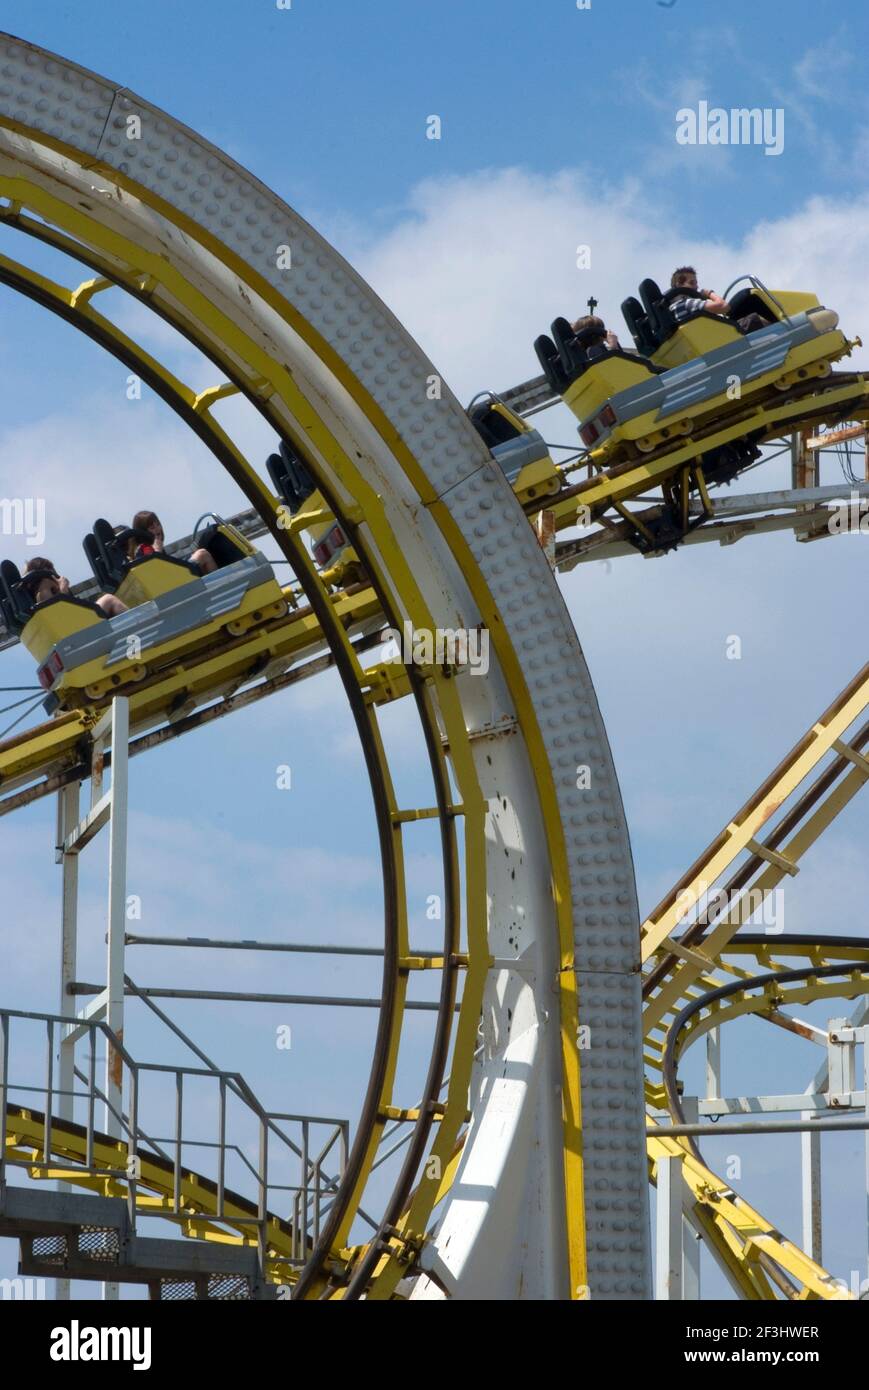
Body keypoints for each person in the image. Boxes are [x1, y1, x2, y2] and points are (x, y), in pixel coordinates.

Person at [669, 267, 772, 333]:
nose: (697, 287)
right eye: (692, 283)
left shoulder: (672, 308)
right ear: (679, 284)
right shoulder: (688, 303)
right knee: (753, 316)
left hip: (709, 335)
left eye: (696, 283)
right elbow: (724, 307)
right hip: (719, 336)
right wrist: (709, 293)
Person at [22, 557, 127, 617]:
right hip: (75, 623)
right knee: (109, 599)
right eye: (50, 569)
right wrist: (63, 589)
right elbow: (56, 613)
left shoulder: (45, 588)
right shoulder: (43, 589)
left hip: (76, 619)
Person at [131, 510, 217, 575]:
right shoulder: (145, 547)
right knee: (203, 554)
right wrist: (157, 551)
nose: (157, 529)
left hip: (173, 574)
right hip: (171, 578)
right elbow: (153, 568)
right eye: (152, 528)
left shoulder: (152, 546)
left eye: (158, 525)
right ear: (143, 532)